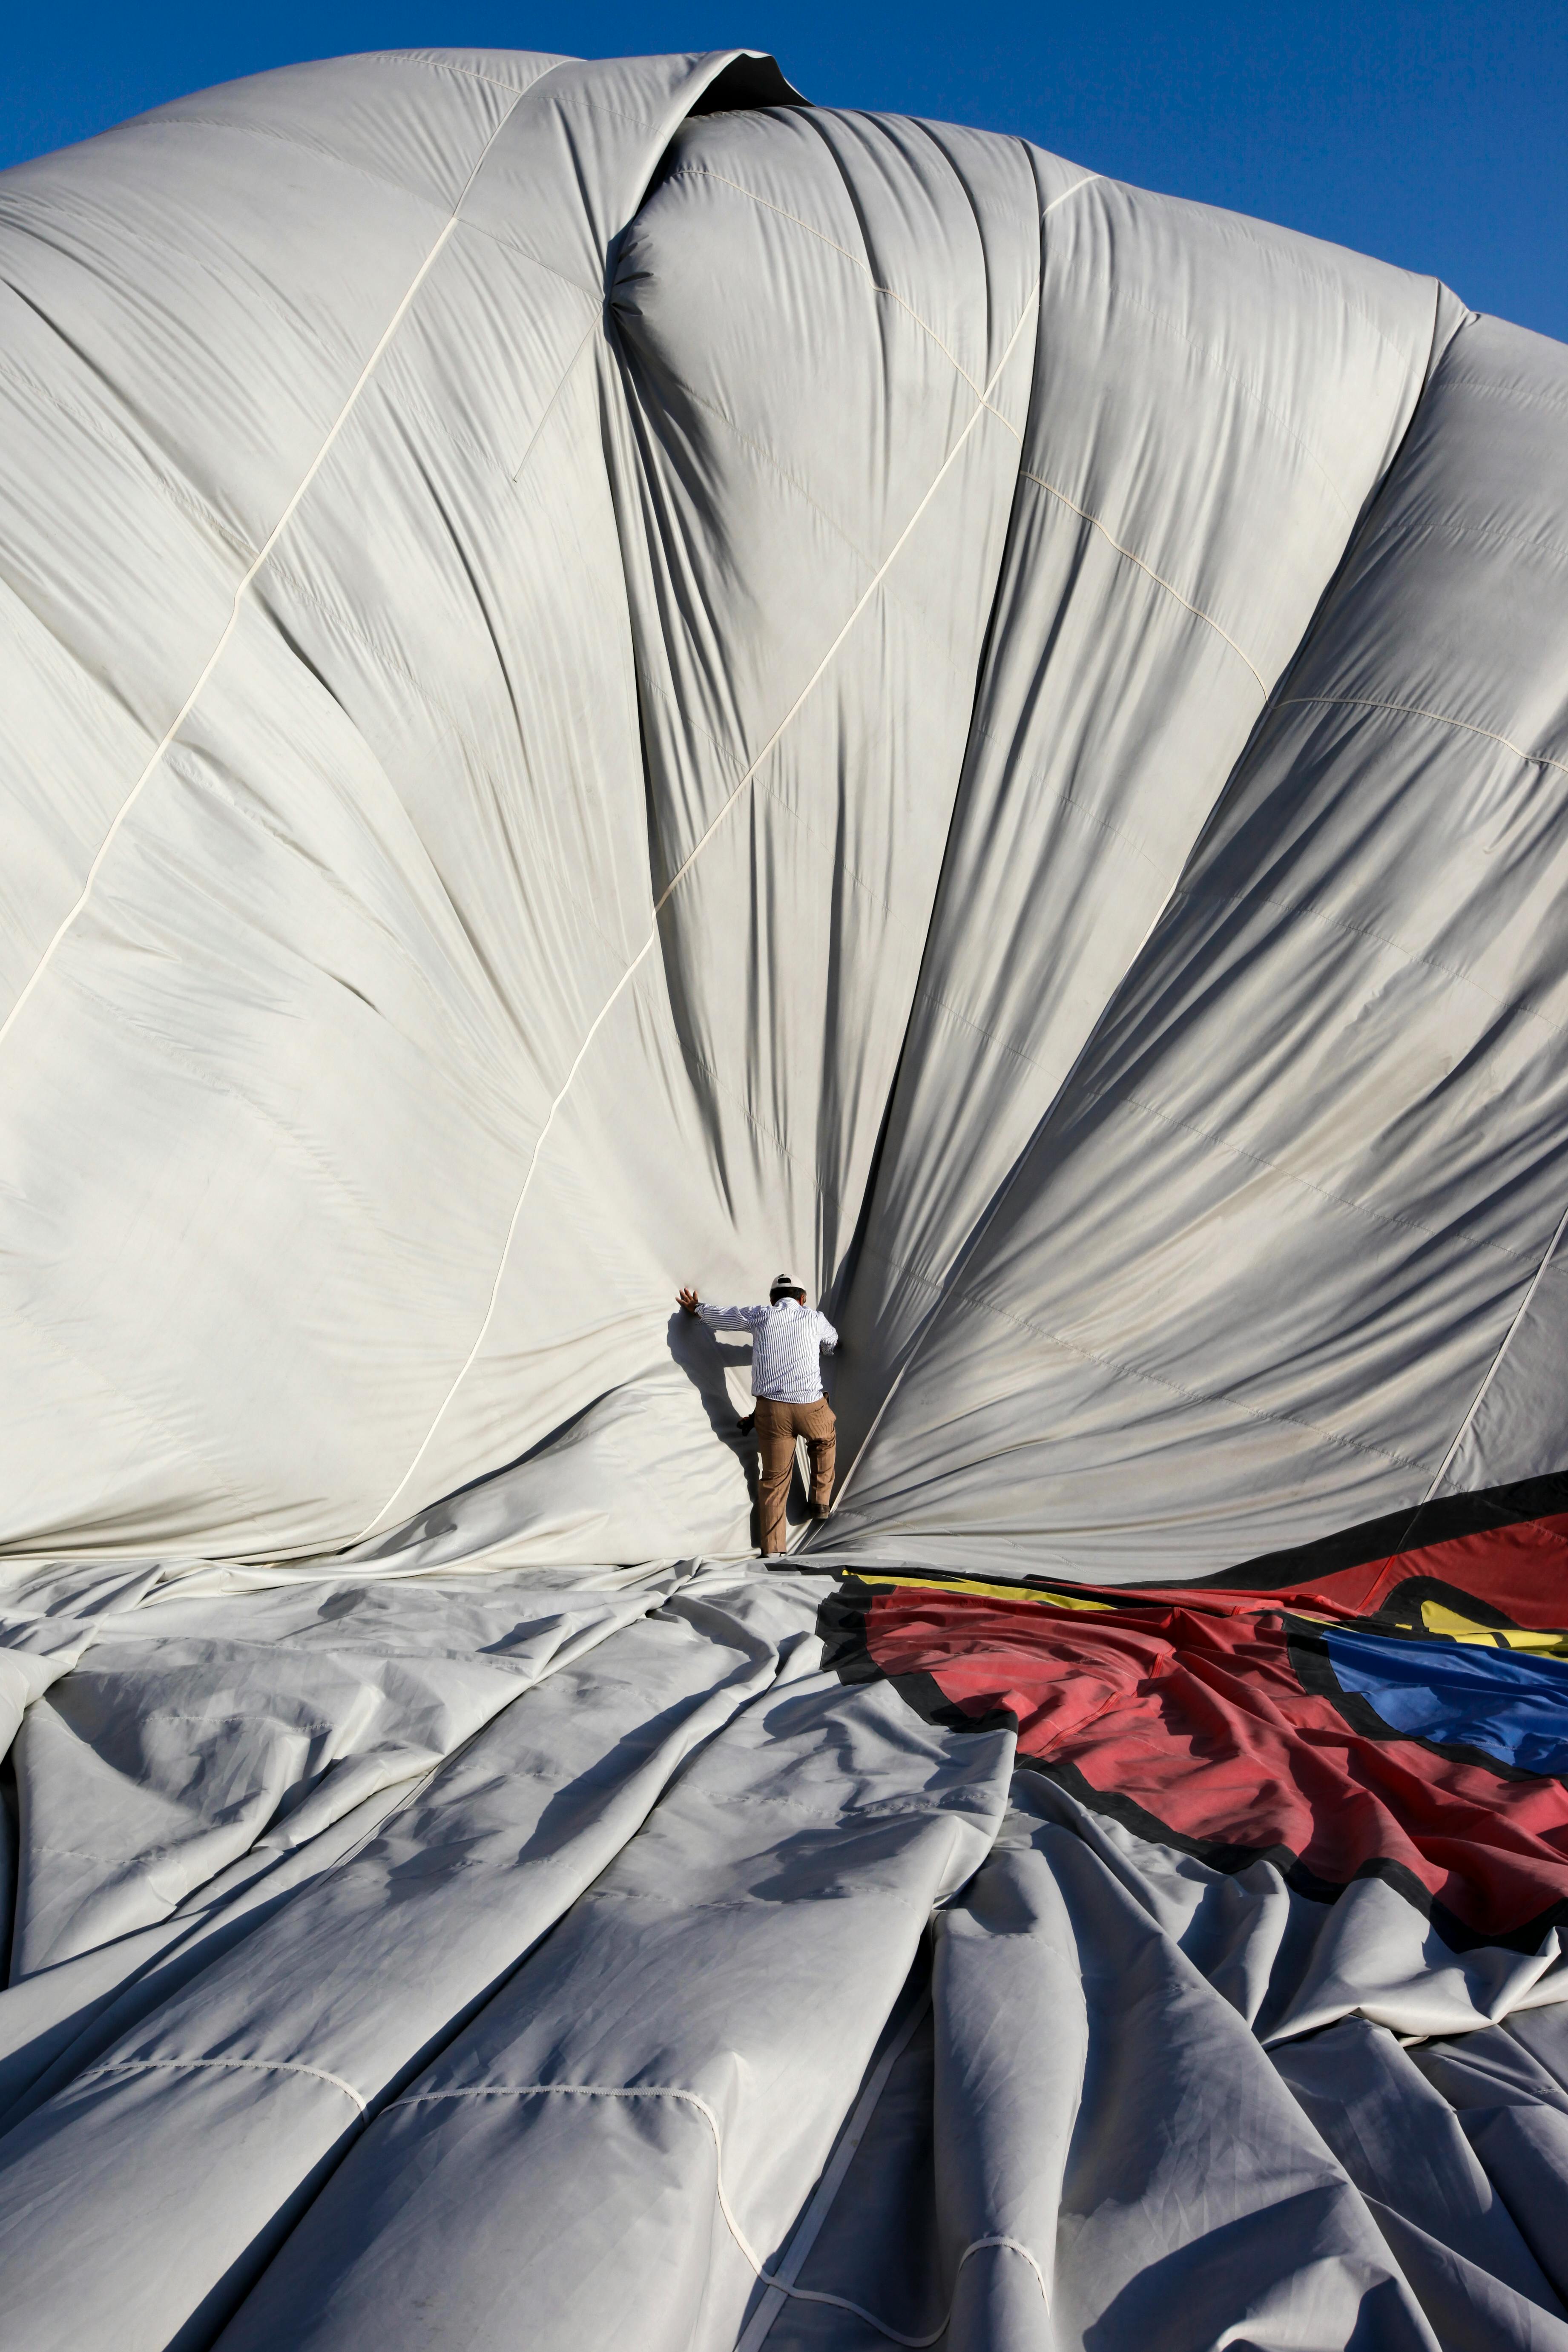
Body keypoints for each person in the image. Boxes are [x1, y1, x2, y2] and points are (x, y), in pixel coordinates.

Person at [678, 1276, 837, 1560]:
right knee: (825, 1439)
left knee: (774, 1479)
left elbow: (725, 1317)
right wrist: (824, 1348)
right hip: (810, 1407)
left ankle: (773, 1550)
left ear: (773, 1300)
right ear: (802, 1299)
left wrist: (697, 1308)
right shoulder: (816, 1319)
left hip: (772, 1411)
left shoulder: (761, 1315)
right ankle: (820, 1502)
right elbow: (832, 1343)